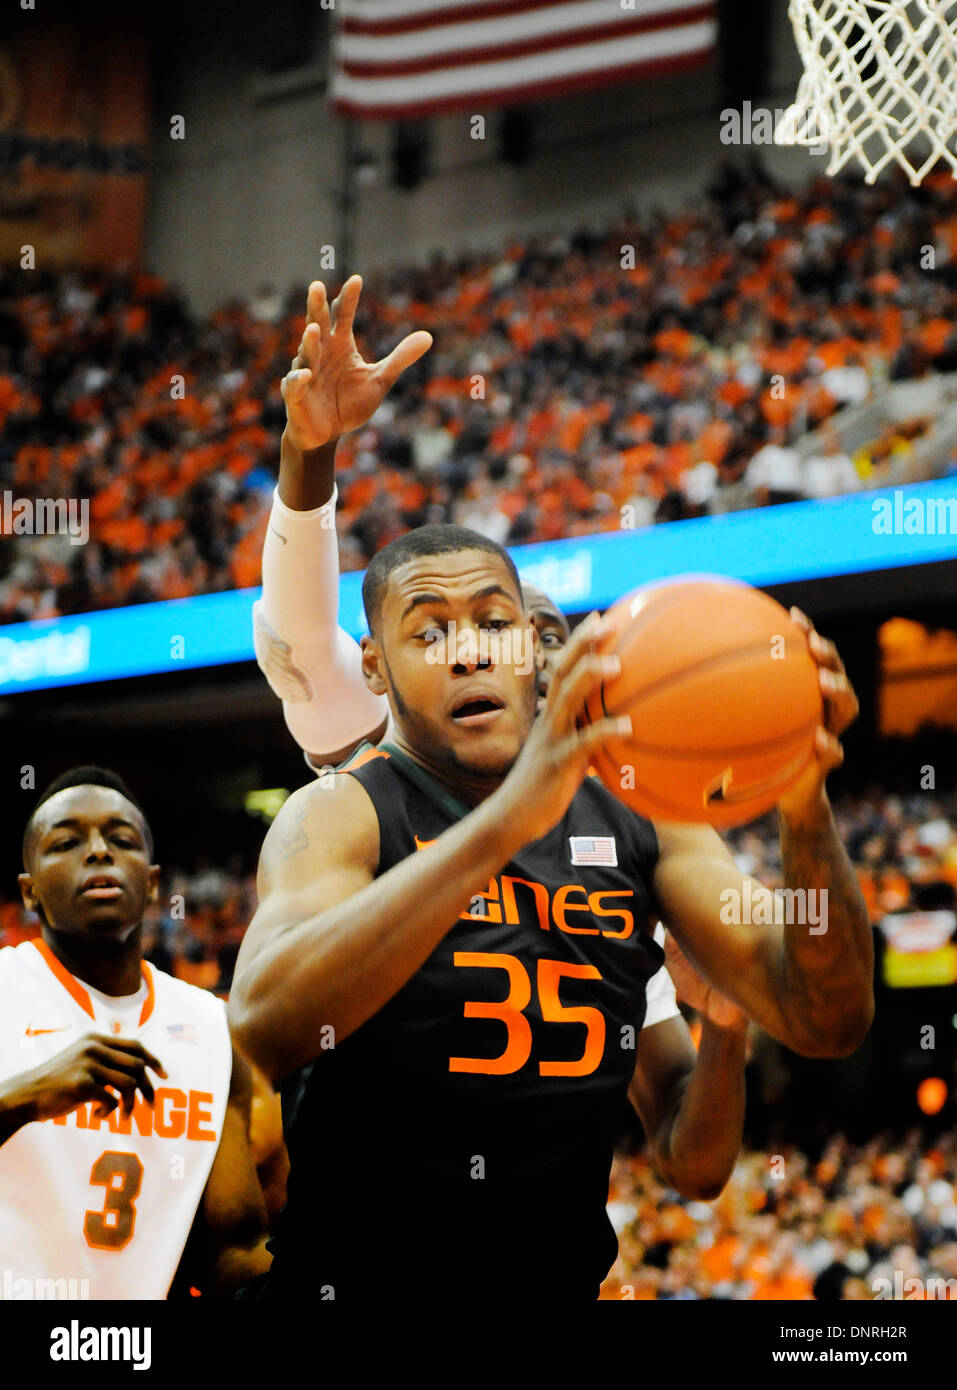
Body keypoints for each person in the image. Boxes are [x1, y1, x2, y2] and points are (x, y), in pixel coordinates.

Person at [232, 531, 872, 1300]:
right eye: (428, 632)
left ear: (533, 648)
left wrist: (802, 801)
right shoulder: (341, 812)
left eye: (493, 623)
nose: (466, 653)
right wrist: (503, 824)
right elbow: (260, 1028)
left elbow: (825, 1017)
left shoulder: (641, 815)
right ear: (373, 665)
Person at [254, 278, 755, 1215]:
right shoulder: (378, 749)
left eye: (534, 636)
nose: (507, 656)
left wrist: (726, 1026)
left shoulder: (624, 856)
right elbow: (297, 635)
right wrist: (309, 453)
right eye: (470, 631)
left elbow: (690, 1156)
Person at [0, 767, 271, 1299]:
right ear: (29, 893)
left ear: (151, 883)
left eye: (120, 840)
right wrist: (26, 1097)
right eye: (66, 842)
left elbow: (234, 1250)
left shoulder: (213, 1028)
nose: (98, 851)